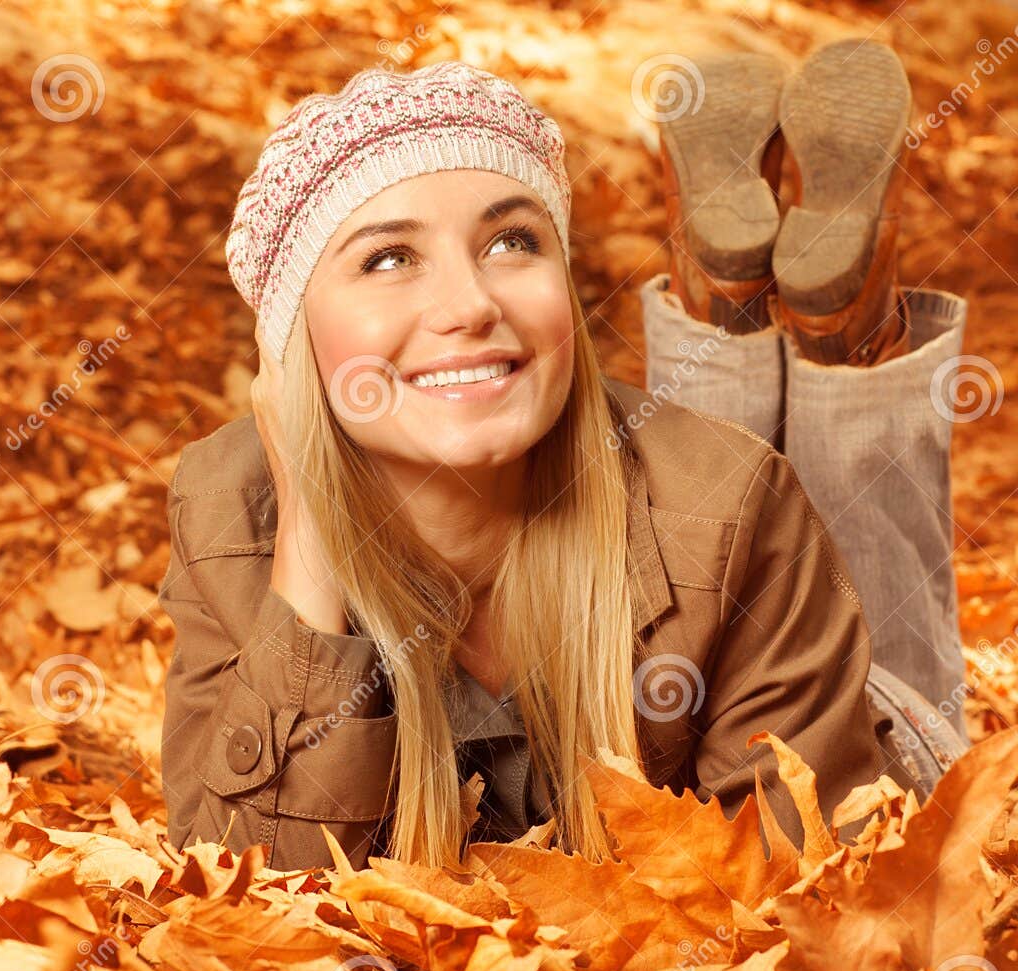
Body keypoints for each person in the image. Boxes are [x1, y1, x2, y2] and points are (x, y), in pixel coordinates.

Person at [156, 45, 974, 873]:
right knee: (718, 488)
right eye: (389, 258)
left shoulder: (734, 497)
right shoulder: (229, 513)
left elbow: (794, 890)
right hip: (729, 570)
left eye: (511, 241)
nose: (471, 304)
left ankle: (816, 328)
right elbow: (246, 897)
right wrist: (307, 543)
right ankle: (794, 316)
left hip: (865, 737)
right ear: (290, 341)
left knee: (823, 551)